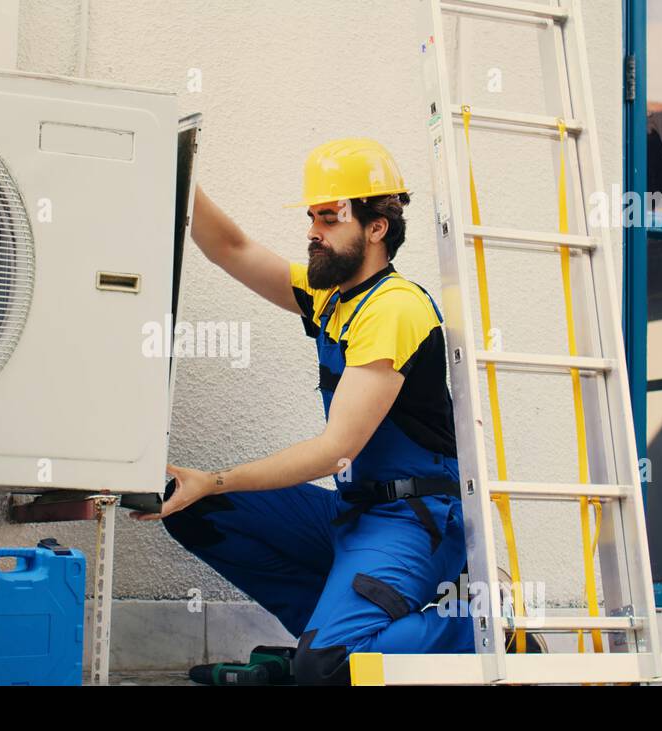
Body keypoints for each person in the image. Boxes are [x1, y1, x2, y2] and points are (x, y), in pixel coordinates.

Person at [134, 138, 475, 685]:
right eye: (312, 217)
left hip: (415, 522)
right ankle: (328, 637)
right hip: (355, 514)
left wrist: (217, 477)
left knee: (331, 666)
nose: (314, 230)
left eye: (330, 218)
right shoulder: (332, 298)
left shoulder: (396, 308)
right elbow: (232, 248)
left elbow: (334, 450)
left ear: (375, 228)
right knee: (196, 510)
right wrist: (174, 168)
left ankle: (479, 632)